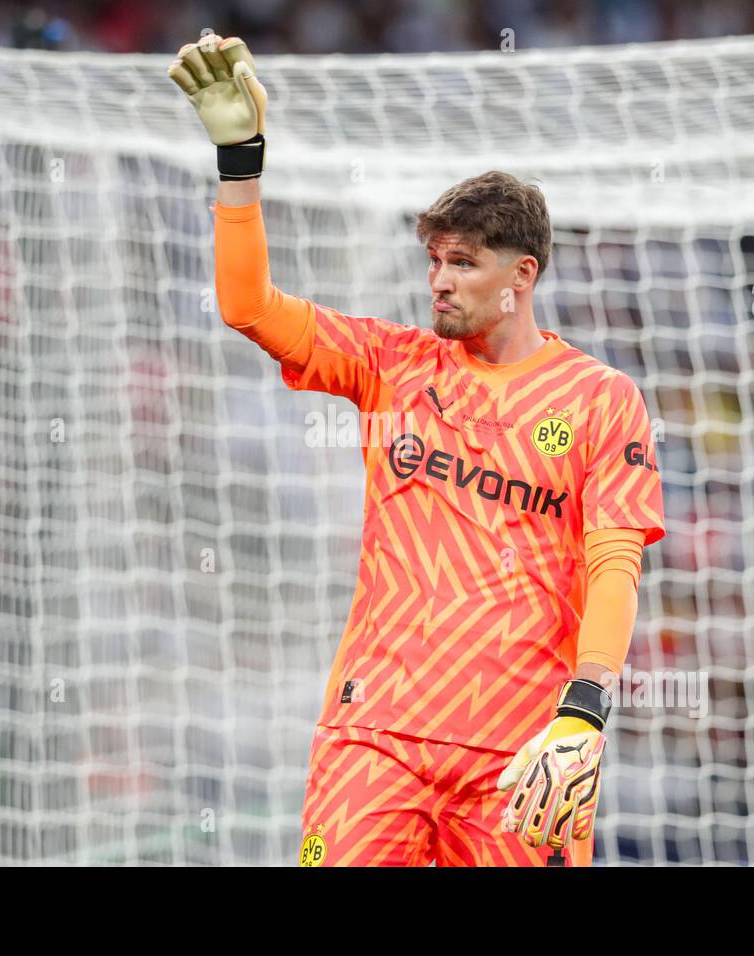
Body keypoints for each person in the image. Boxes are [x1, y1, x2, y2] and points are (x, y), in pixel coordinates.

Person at [168, 34, 665, 866]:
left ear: (522, 276)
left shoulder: (599, 400)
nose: (439, 279)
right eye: (434, 259)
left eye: (463, 262)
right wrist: (240, 162)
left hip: (523, 753)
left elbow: (615, 562)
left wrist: (584, 712)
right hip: (375, 737)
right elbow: (248, 306)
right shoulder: (392, 364)